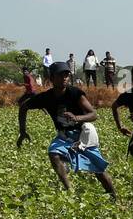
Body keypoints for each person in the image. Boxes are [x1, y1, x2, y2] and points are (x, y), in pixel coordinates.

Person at [17, 61, 115, 197]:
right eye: (60, 75)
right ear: (51, 79)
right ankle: (70, 190)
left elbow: (93, 114)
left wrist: (76, 117)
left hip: (83, 135)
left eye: (66, 75)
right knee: (53, 154)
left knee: (98, 169)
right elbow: (23, 107)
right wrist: (22, 131)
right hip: (64, 136)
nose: (64, 78)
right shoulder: (46, 97)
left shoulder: (75, 93)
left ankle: (113, 197)